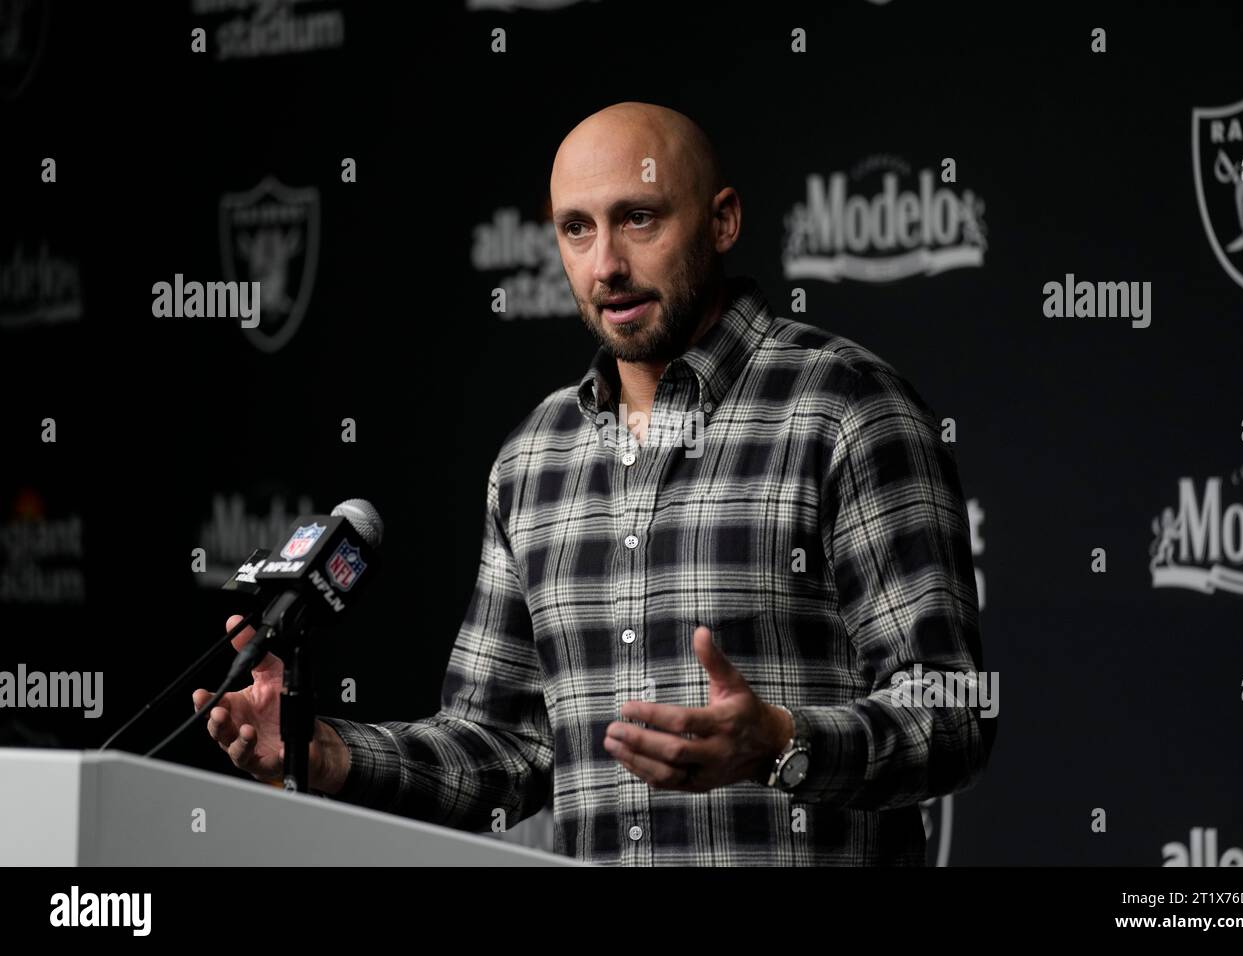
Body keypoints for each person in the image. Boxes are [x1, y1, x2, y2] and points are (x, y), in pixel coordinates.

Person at [193, 101, 995, 865]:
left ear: (723, 221)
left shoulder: (846, 408)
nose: (606, 264)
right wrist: (327, 753)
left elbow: (952, 713)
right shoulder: (533, 457)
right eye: (577, 229)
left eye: (638, 218)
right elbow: (505, 749)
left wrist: (781, 743)